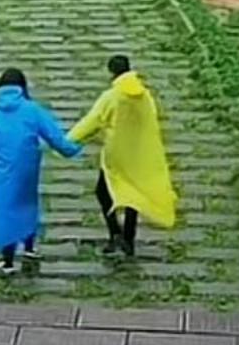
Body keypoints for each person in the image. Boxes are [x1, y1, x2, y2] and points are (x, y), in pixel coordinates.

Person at [0, 68, 81, 275]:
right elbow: (55, 137)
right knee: (27, 204)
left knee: (4, 209)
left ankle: (7, 259)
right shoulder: (33, 110)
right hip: (27, 169)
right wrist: (73, 148)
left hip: (1, 171)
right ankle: (30, 246)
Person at [70, 55, 176, 258]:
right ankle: (129, 239)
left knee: (103, 193)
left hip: (115, 155)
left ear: (111, 73)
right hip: (137, 154)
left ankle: (114, 233)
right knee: (133, 196)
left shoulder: (111, 97)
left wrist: (66, 143)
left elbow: (91, 123)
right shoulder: (145, 96)